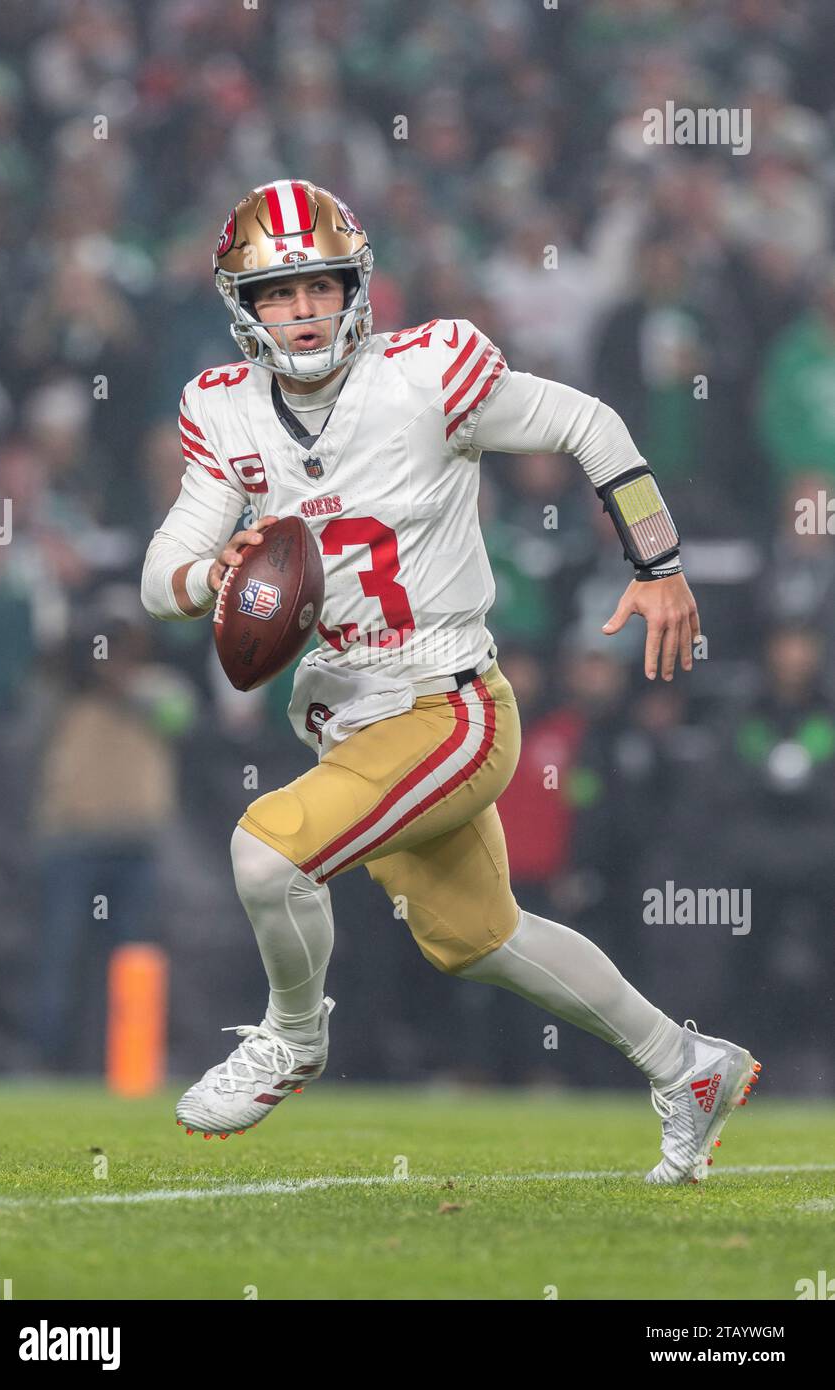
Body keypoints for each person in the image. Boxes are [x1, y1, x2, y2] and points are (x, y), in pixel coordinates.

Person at [141, 180, 760, 1183]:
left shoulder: (428, 372)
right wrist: (211, 572)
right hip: (349, 718)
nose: (300, 310)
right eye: (276, 292)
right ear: (240, 306)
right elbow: (157, 573)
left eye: (319, 285)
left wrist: (657, 567)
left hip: (447, 703)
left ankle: (292, 1037)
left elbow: (588, 422)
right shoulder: (223, 411)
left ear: (356, 286)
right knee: (476, 935)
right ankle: (686, 1062)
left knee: (265, 855)